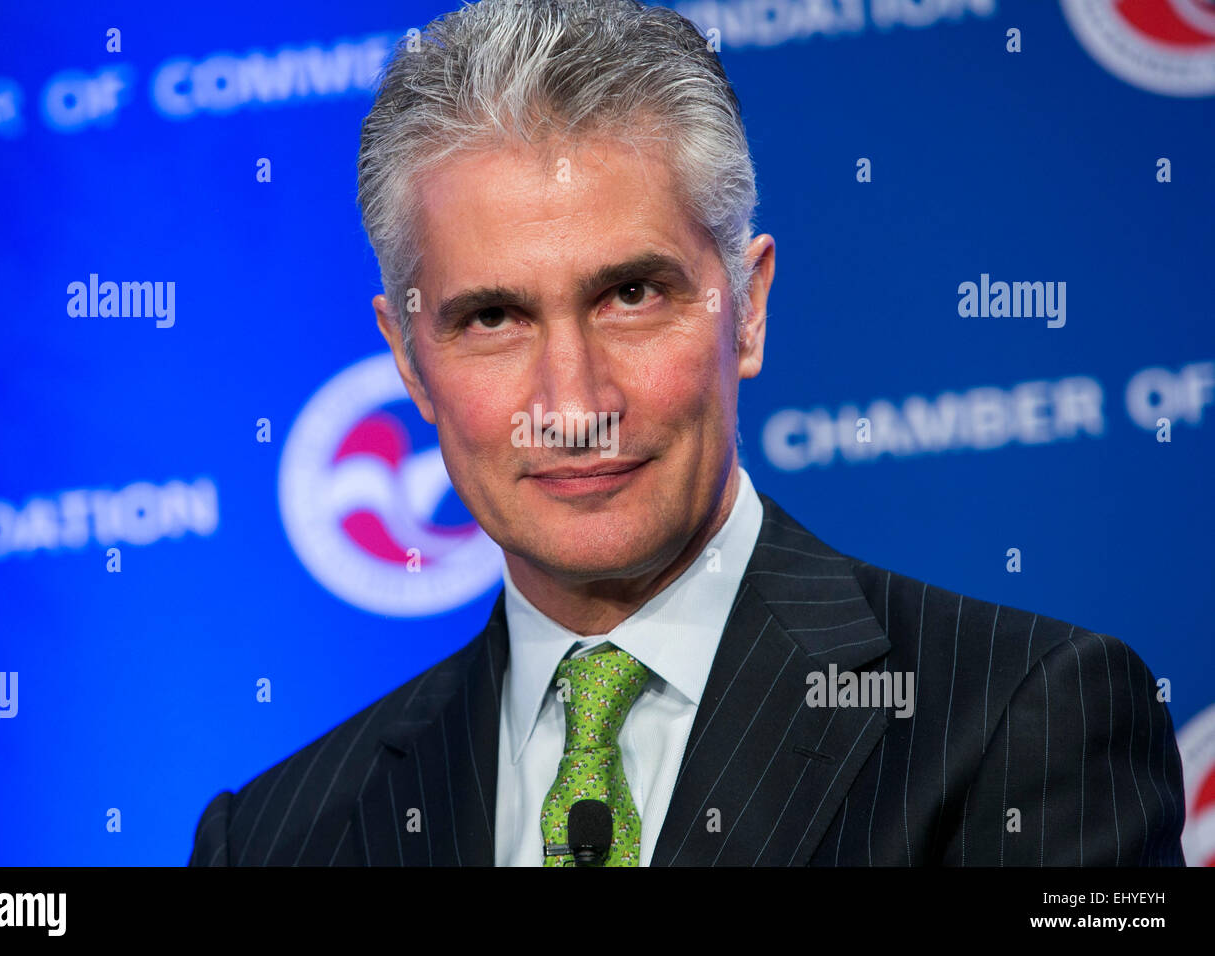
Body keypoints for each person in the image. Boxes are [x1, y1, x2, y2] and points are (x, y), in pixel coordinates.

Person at [189, 0, 1185, 867]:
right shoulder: (279, 834)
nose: (571, 400)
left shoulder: (1022, 719)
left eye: (630, 293)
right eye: (492, 317)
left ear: (747, 309)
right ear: (408, 355)